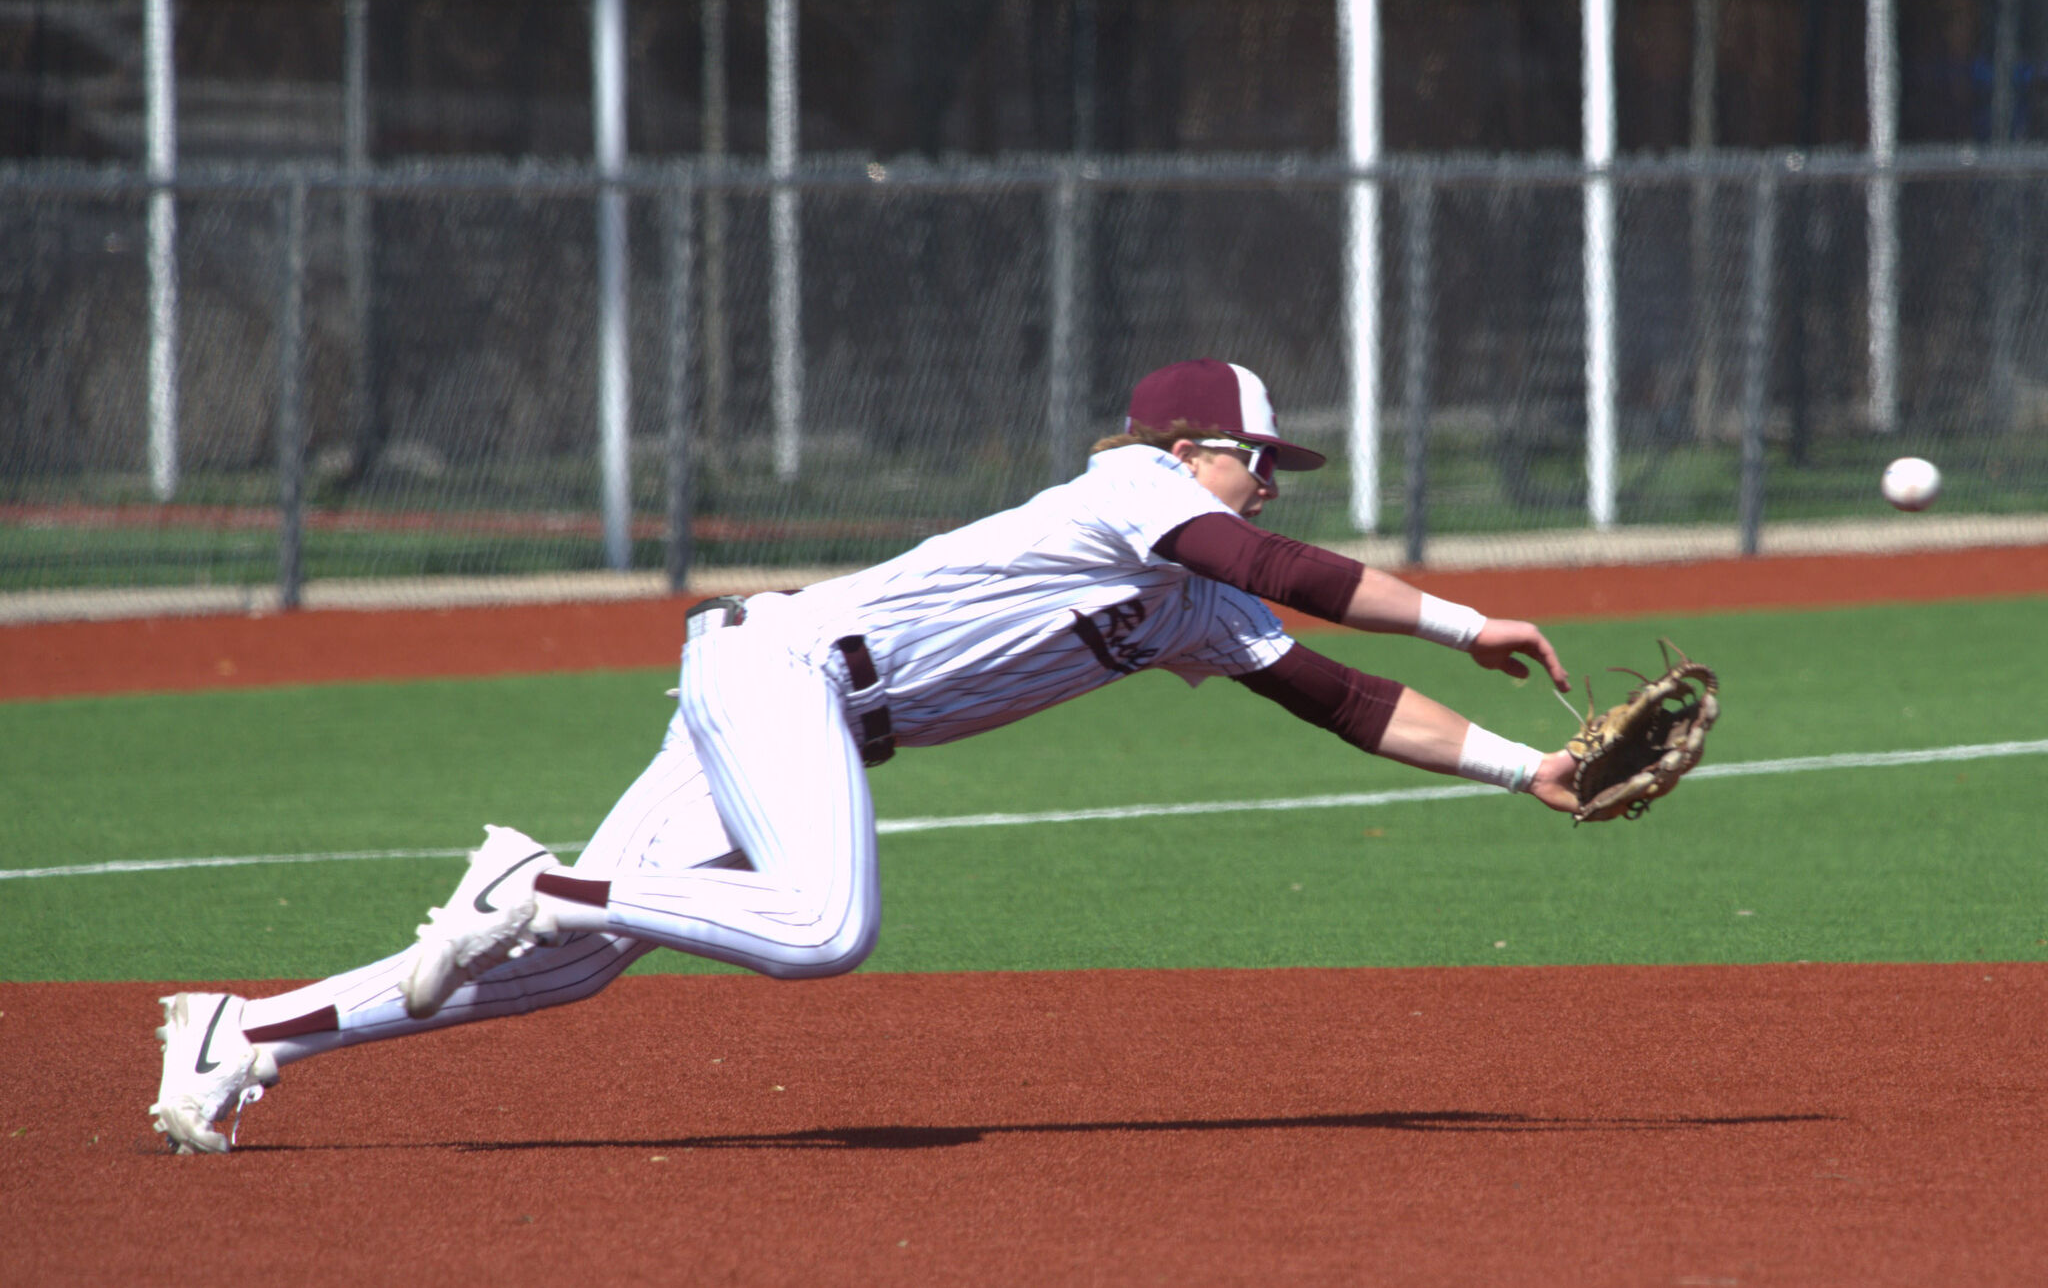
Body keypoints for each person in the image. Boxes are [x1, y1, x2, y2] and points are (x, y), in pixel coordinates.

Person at [148, 358, 1580, 1154]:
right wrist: (1467, 621)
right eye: (1258, 457)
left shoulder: (1193, 597)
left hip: (778, 695)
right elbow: (1280, 566)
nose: (1270, 481)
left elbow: (1344, 699)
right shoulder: (1131, 487)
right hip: (786, 675)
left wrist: (1531, 769)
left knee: (572, 971)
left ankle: (240, 1035)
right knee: (822, 928)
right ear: (1191, 443)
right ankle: (543, 883)